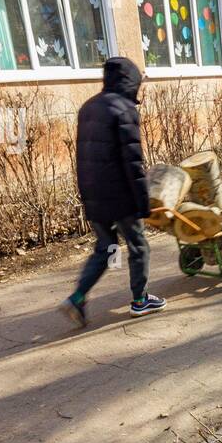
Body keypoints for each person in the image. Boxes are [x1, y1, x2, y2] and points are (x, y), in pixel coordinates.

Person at [61, 57, 166, 327]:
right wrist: (143, 202)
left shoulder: (88, 107)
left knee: (106, 248)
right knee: (138, 245)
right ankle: (140, 301)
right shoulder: (124, 109)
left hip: (94, 193)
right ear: (131, 82)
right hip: (120, 196)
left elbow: (84, 157)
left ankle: (77, 297)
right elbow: (132, 162)